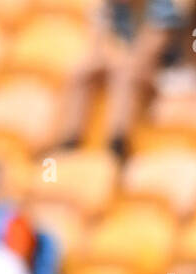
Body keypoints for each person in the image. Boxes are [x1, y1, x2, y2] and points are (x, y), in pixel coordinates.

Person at [57, 0, 184, 159]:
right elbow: (97, 49)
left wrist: (116, 58)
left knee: (124, 73)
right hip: (123, 62)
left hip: (161, 72)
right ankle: (69, 141)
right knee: (81, 71)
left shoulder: (162, 6)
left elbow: (148, 53)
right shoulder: (109, 6)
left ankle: (117, 144)